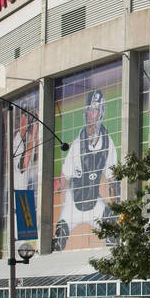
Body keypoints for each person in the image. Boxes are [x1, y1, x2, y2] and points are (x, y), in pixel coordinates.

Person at [53, 88, 118, 252]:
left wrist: (118, 205)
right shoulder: (77, 145)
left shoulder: (107, 142)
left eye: (94, 111)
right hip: (73, 204)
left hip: (94, 203)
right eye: (88, 111)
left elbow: (113, 179)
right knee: (58, 240)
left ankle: (112, 271)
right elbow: (64, 175)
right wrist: (55, 188)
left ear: (100, 113)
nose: (90, 116)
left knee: (114, 226)